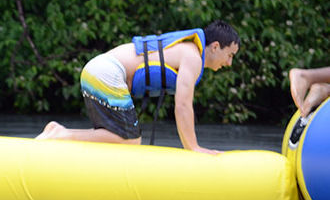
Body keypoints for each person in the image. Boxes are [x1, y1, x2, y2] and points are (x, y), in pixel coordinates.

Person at [35, 20, 240, 155]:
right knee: (131, 141)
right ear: (215, 47)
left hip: (95, 70)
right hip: (107, 73)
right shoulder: (192, 57)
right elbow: (183, 106)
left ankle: (59, 134)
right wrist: (193, 148)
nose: (229, 63)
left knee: (118, 137)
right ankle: (60, 134)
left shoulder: (184, 50)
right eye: (230, 55)